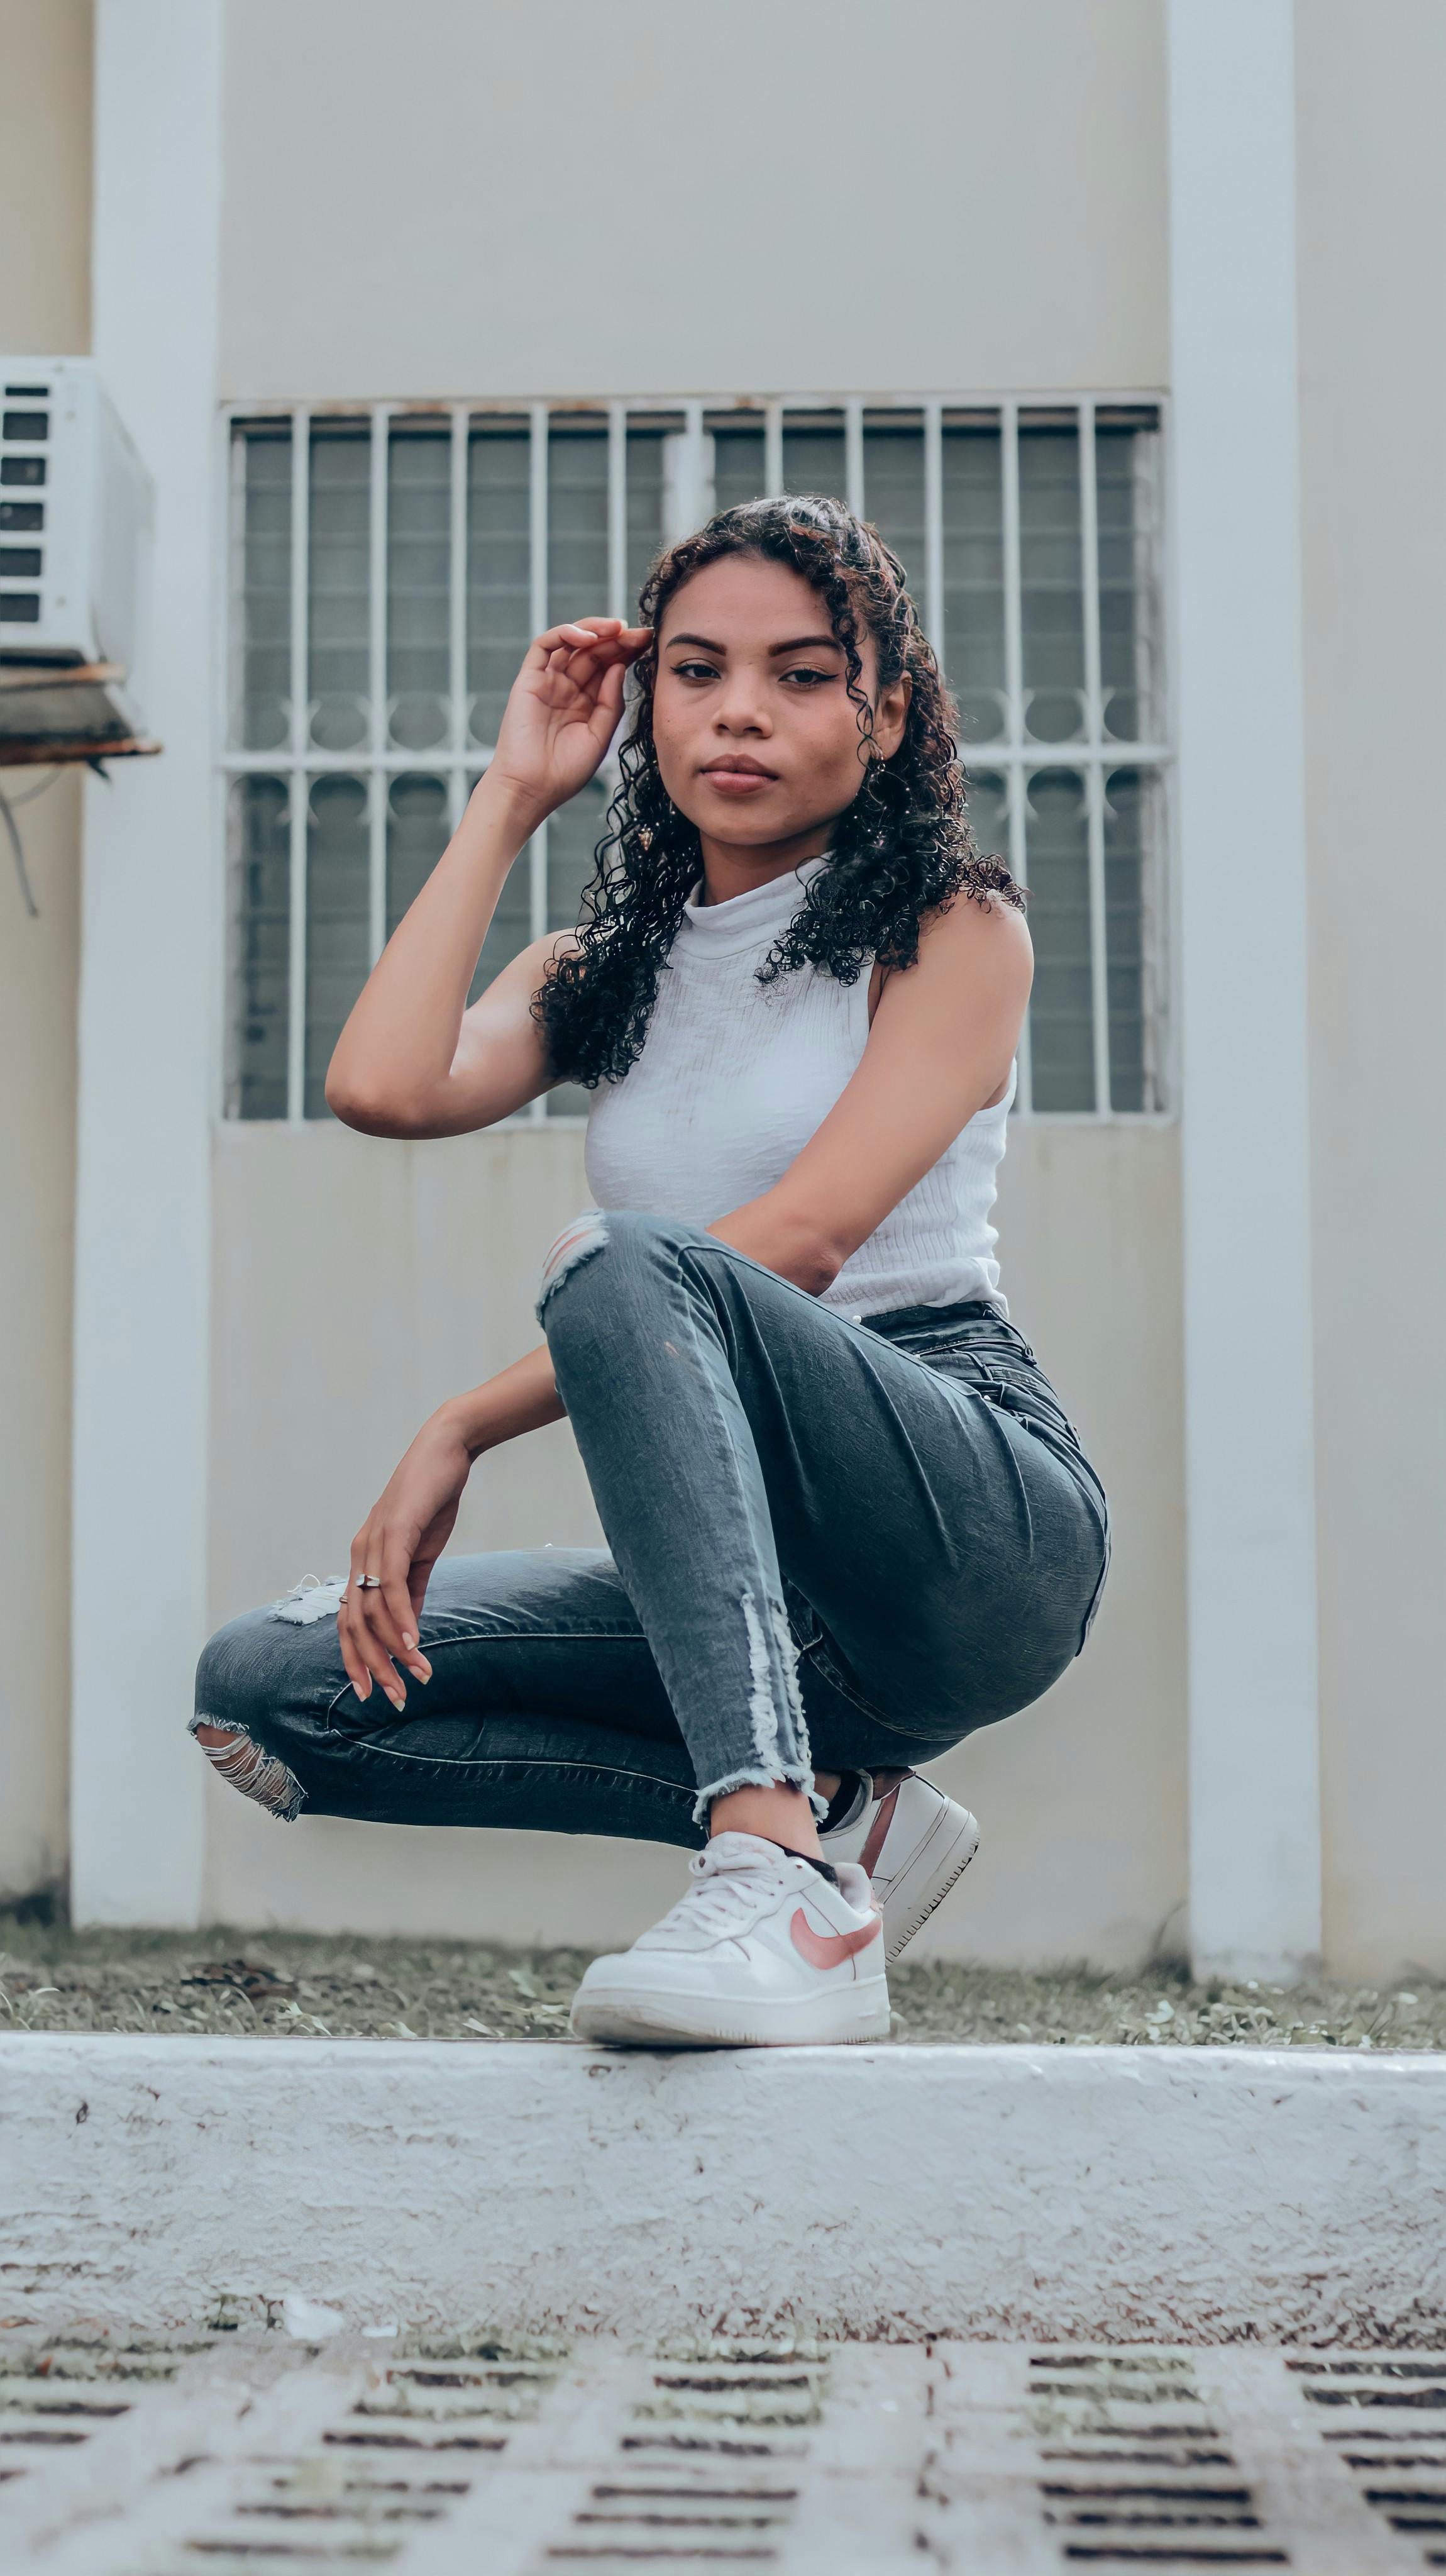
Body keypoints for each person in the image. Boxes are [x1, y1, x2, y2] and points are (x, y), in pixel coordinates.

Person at [193, 496, 1108, 2050]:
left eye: (803, 674)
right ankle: (832, 1816)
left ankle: (774, 1878)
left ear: (886, 715)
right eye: (695, 670)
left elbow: (802, 1241)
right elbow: (382, 1082)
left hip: (962, 1514)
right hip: (742, 1567)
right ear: (646, 701)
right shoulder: (599, 970)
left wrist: (465, 1420)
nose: (740, 707)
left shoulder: (950, 929)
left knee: (621, 1264)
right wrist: (510, 790)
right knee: (272, 1685)